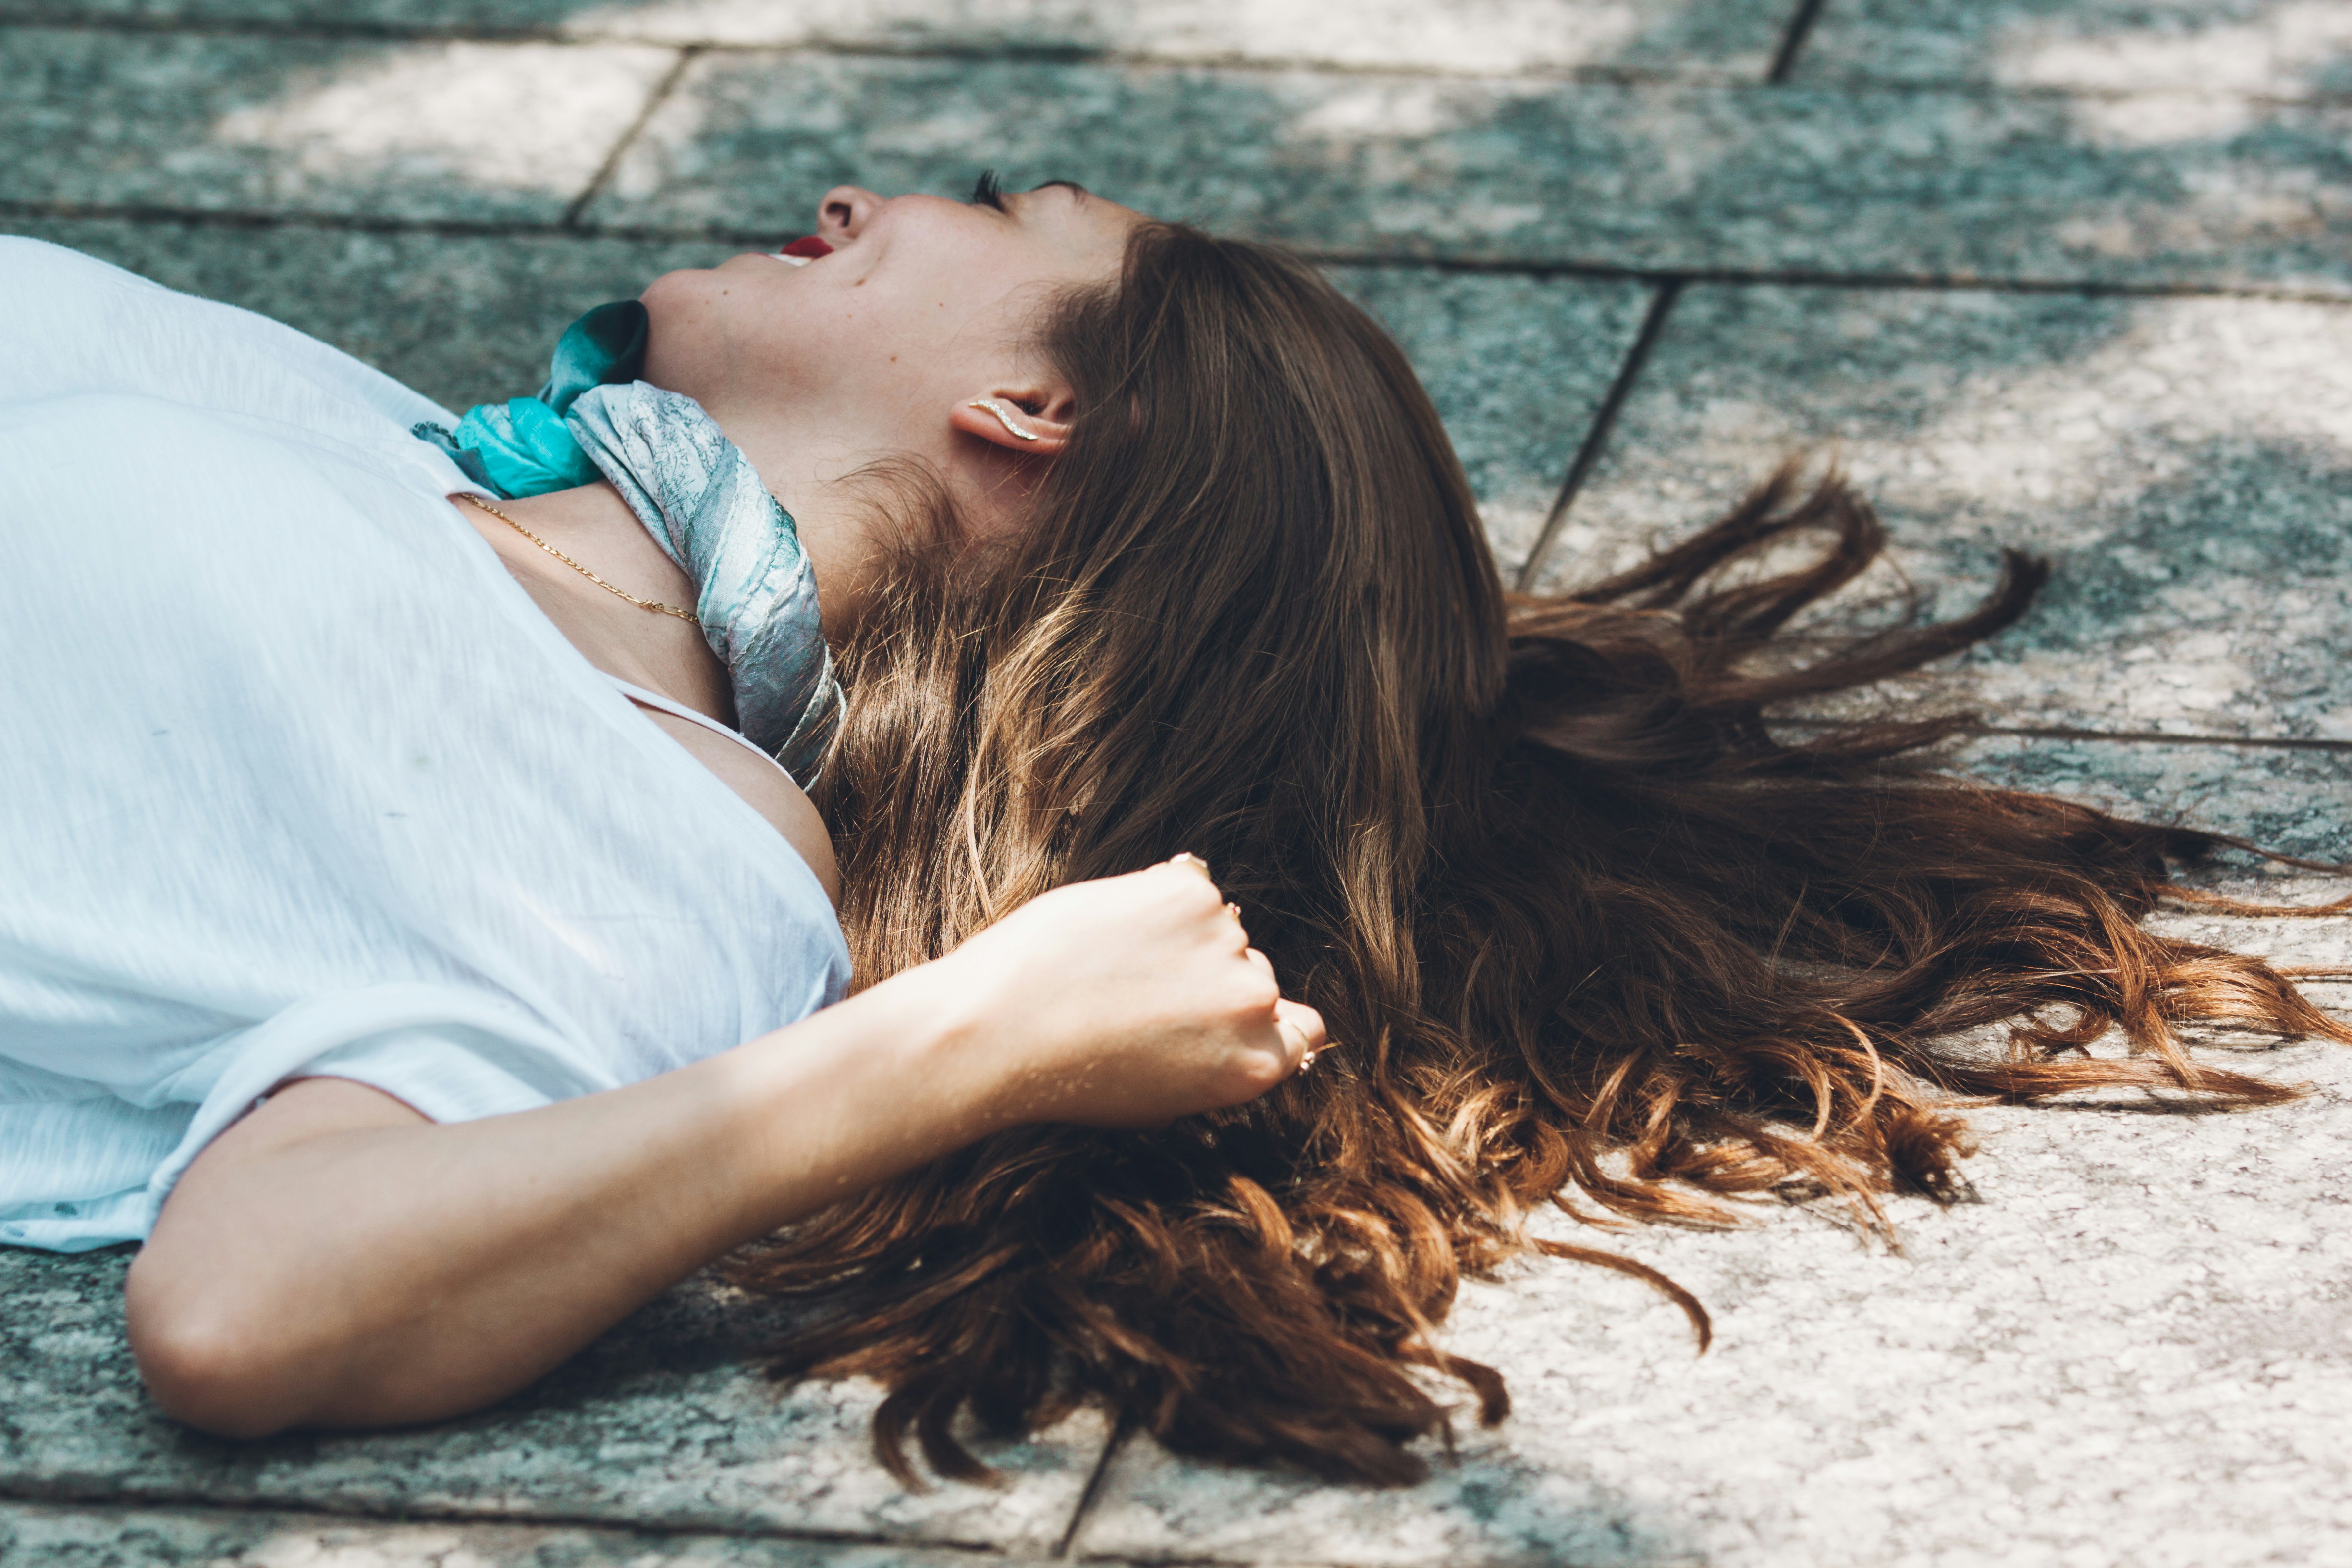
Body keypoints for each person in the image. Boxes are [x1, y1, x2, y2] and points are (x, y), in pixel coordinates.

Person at [1, 174, 2341, 1485]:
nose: (859, 190)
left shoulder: (661, 821)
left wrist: (957, 1042)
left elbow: (251, 1305)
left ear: (1028, 406)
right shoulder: (427, 468)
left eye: (992, 209)